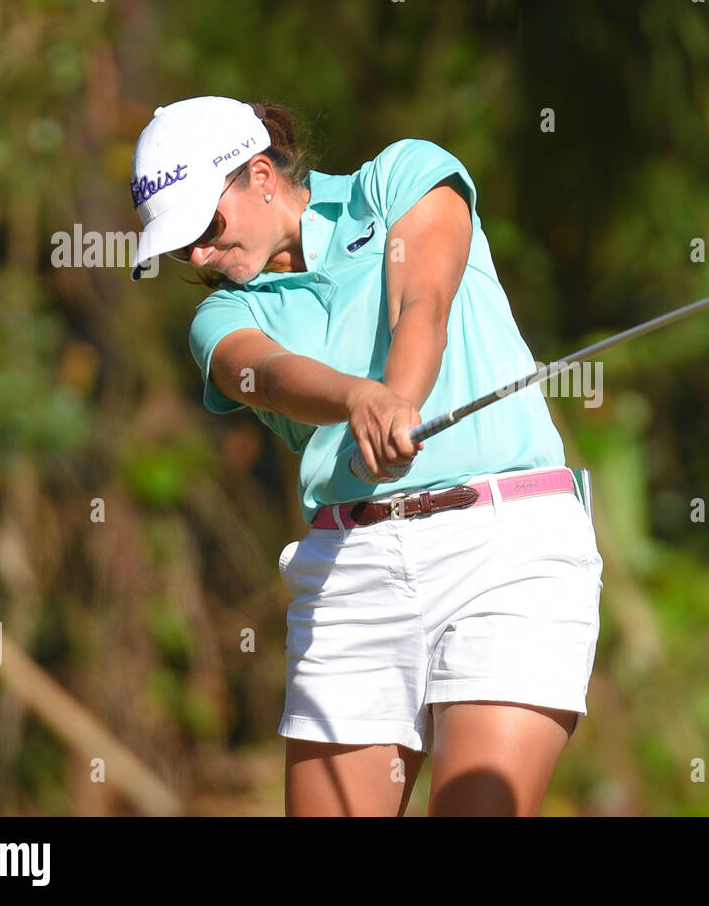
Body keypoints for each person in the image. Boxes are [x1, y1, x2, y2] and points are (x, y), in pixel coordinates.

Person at [128, 96, 604, 816]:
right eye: (176, 245)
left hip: (507, 550)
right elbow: (266, 374)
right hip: (351, 573)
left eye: (206, 225)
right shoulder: (221, 316)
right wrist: (359, 400)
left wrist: (395, 398)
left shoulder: (402, 178)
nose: (196, 255)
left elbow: (422, 302)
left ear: (260, 175)